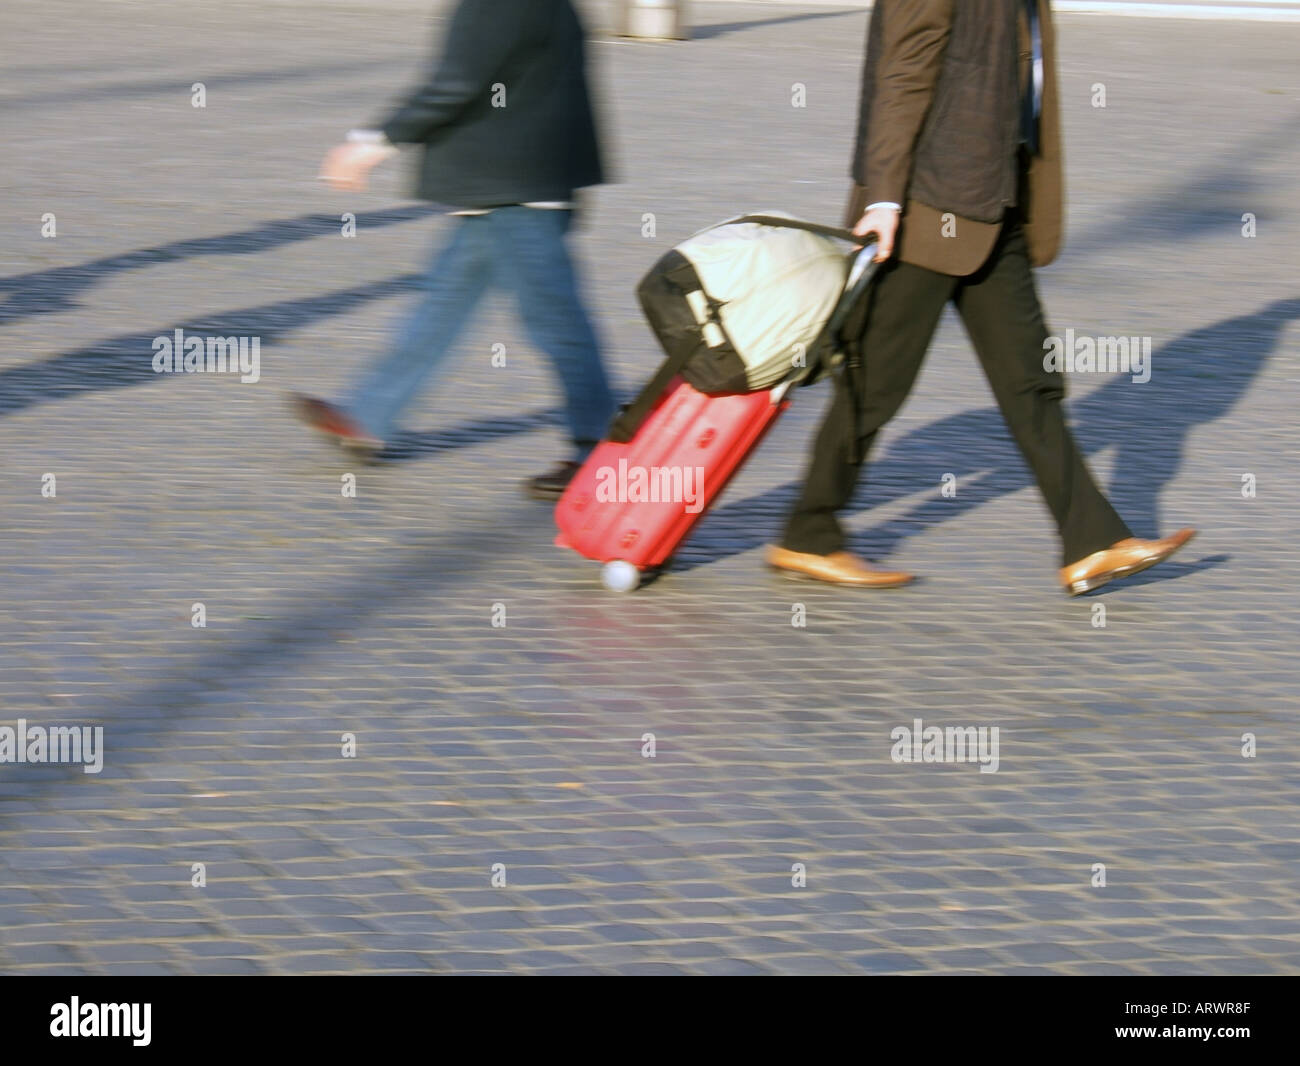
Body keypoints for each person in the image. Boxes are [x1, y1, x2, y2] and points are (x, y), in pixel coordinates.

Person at [766, 0, 1195, 595]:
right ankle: (807, 534)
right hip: (928, 207)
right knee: (874, 385)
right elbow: (902, 70)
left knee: (1030, 381)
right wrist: (884, 200)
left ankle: (1091, 540)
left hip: (994, 203)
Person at [295, 0, 617, 499]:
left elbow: (459, 82)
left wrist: (370, 145)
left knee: (558, 323)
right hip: (511, 184)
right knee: (442, 305)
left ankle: (601, 450)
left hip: (515, 189)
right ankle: (368, 417)